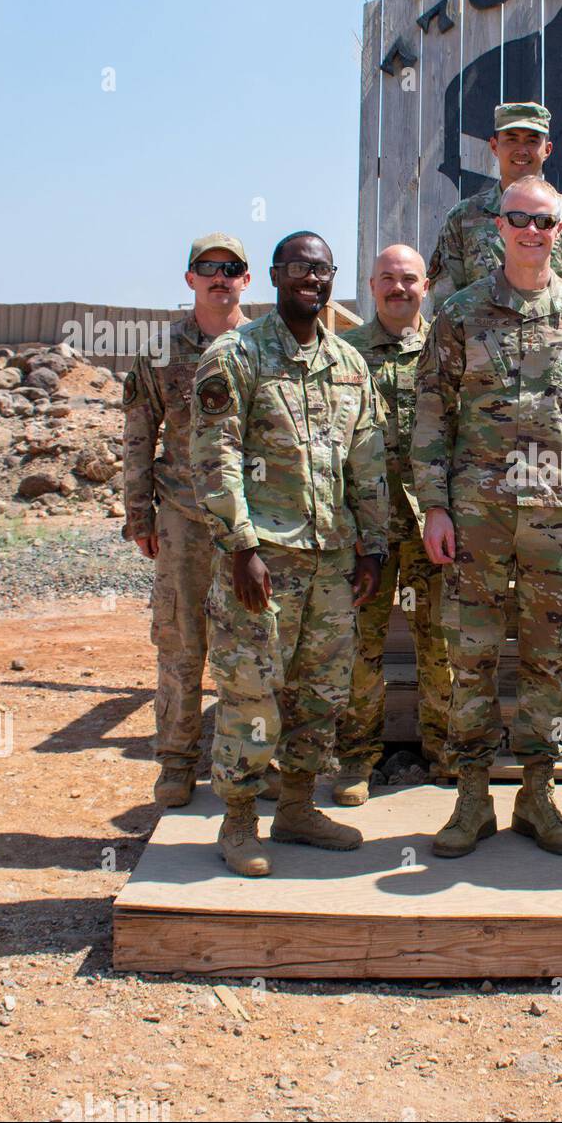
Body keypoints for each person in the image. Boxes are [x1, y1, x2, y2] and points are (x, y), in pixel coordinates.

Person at [413, 176, 562, 859]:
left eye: (545, 222)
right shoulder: (461, 313)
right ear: (498, 227)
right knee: (470, 656)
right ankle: (472, 797)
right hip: (477, 519)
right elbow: (432, 414)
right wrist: (435, 507)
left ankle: (538, 792)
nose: (533, 232)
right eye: (520, 220)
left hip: (558, 522)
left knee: (547, 657)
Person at [190, 231, 390, 877]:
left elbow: (368, 461)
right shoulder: (237, 355)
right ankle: (240, 819)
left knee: (320, 693)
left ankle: (299, 806)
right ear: (275, 276)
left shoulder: (350, 365)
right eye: (301, 267)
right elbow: (214, 456)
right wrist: (240, 544)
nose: (313, 277)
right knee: (251, 693)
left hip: (332, 560)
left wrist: (375, 545)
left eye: (323, 269)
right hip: (264, 562)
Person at [122, 232, 257, 808]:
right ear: (190, 279)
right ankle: (176, 763)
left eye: (232, 268)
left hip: (251, 526)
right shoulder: (158, 352)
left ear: (247, 280)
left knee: (250, 647)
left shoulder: (263, 346)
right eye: (208, 268)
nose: (220, 276)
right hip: (181, 518)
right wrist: (138, 513)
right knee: (179, 645)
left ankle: (248, 763)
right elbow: (137, 434)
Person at [336, 245, 453, 800]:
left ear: (425, 286)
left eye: (409, 279)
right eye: (388, 279)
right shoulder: (345, 354)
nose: (398, 288)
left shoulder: (446, 348)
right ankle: (356, 760)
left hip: (435, 524)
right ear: (372, 284)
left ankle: (445, 755)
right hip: (368, 531)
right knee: (363, 646)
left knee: (440, 644)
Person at [426, 101, 562, 317]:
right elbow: (445, 304)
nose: (522, 150)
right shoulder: (464, 218)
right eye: (511, 139)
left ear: (547, 150)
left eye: (532, 141)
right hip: (482, 344)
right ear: (494, 146)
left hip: (555, 344)